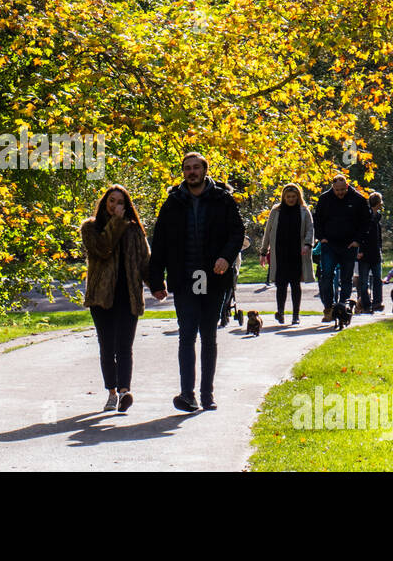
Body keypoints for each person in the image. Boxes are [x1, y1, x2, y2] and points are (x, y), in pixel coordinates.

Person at [149, 152, 245, 413]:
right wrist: (156, 280)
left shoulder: (222, 199)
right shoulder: (172, 202)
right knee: (186, 335)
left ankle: (207, 394)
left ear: (205, 170)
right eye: (187, 168)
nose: (191, 172)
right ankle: (187, 394)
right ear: (183, 172)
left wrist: (226, 257)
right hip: (184, 278)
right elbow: (159, 244)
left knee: (209, 336)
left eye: (196, 168)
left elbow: (238, 232)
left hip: (213, 277)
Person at [81, 185, 150, 414]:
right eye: (112, 201)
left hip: (128, 295)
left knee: (125, 347)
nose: (115, 206)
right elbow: (102, 248)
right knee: (107, 346)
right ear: (105, 202)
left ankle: (123, 392)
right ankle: (111, 392)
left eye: (120, 202)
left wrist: (157, 286)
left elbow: (144, 261)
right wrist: (117, 223)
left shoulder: (134, 230)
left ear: (126, 205)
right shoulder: (90, 228)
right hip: (102, 298)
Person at [312, 175, 371, 322]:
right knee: (326, 276)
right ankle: (328, 307)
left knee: (346, 277)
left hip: (349, 245)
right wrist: (321, 237)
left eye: (342, 189)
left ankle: (342, 306)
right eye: (337, 190)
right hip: (329, 244)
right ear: (333, 187)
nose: (340, 193)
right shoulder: (325, 199)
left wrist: (358, 241)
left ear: (347, 186)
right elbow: (317, 220)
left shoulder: (358, 199)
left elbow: (366, 222)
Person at [260, 183, 315, 326]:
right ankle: (280, 312)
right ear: (283, 197)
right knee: (281, 284)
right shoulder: (276, 211)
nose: (291, 199)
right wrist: (263, 251)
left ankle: (296, 315)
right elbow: (268, 232)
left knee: (295, 284)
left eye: (293, 197)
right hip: (280, 253)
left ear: (298, 197)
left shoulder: (304, 211)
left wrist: (308, 244)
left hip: (297, 253)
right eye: (288, 197)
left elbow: (310, 229)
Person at [356, 192, 385, 314]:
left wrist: (380, 248)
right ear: (378, 203)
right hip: (366, 253)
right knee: (364, 281)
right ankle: (367, 304)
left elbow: (378, 236)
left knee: (377, 279)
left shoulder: (377, 217)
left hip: (375, 252)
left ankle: (377, 302)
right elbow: (362, 234)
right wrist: (360, 250)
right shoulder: (366, 217)